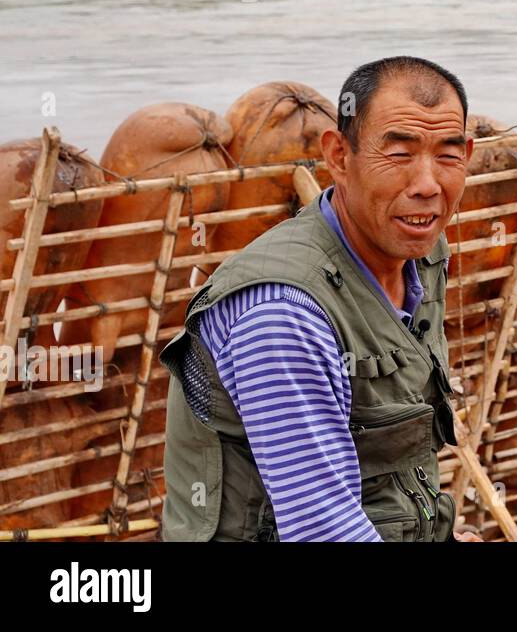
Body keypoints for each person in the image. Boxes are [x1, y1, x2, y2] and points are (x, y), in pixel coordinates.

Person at [160, 55, 482, 541]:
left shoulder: (420, 253)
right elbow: (322, 529)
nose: (426, 185)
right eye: (398, 154)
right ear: (338, 156)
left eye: (448, 155)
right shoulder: (282, 314)